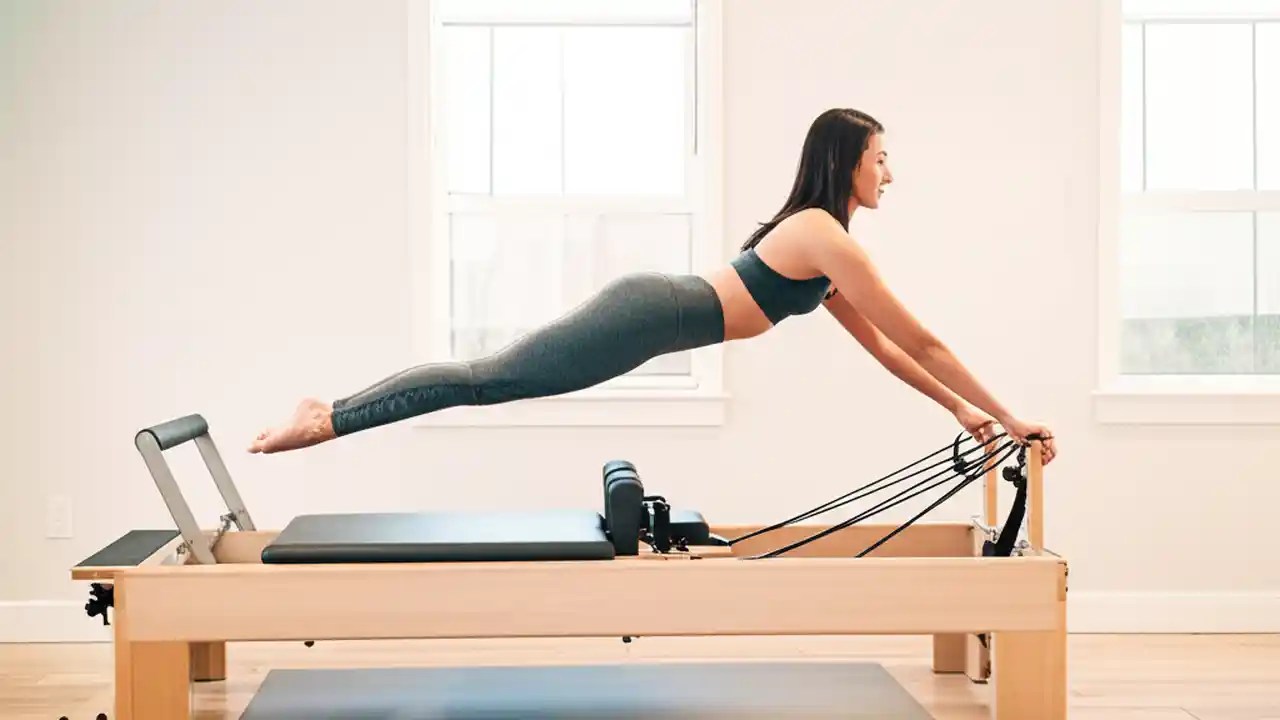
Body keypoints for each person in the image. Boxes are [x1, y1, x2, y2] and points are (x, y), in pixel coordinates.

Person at [248, 108, 1057, 464]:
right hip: (648, 313)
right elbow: (926, 339)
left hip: (653, 317)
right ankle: (329, 417)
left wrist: (960, 408)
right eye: (882, 156)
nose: (891, 172)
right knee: (486, 381)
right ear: (846, 160)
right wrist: (1012, 415)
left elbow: (888, 351)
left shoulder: (825, 246)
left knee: (488, 381)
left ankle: (331, 415)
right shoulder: (822, 234)